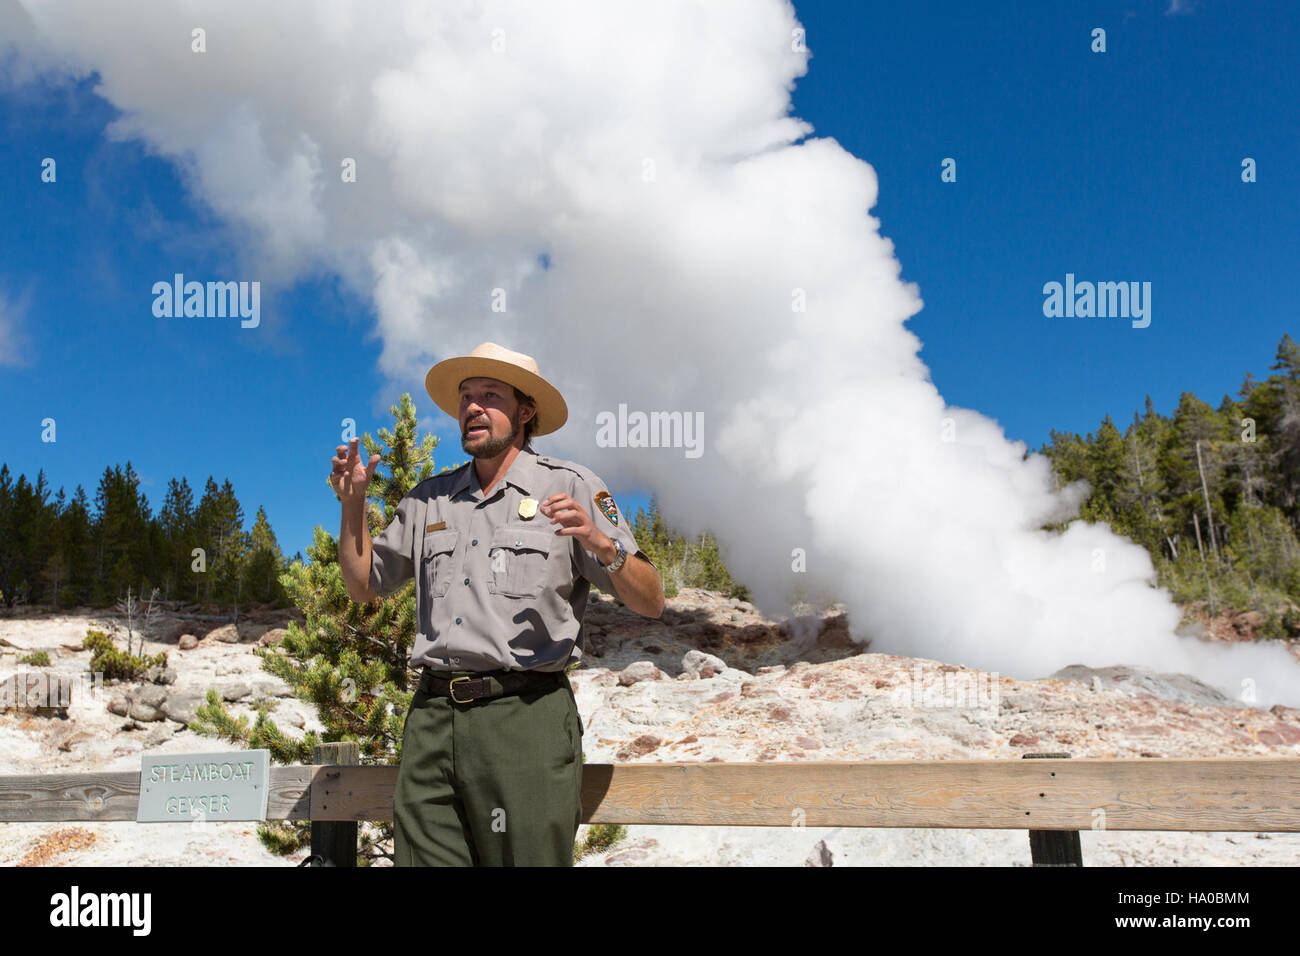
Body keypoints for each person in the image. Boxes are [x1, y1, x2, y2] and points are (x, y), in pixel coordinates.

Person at [331, 341, 665, 866]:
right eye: (466, 397)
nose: (472, 407)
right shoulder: (428, 500)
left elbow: (651, 601)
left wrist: (605, 547)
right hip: (433, 719)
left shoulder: (571, 486)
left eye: (490, 395)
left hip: (524, 719)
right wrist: (353, 507)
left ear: (525, 411)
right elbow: (363, 586)